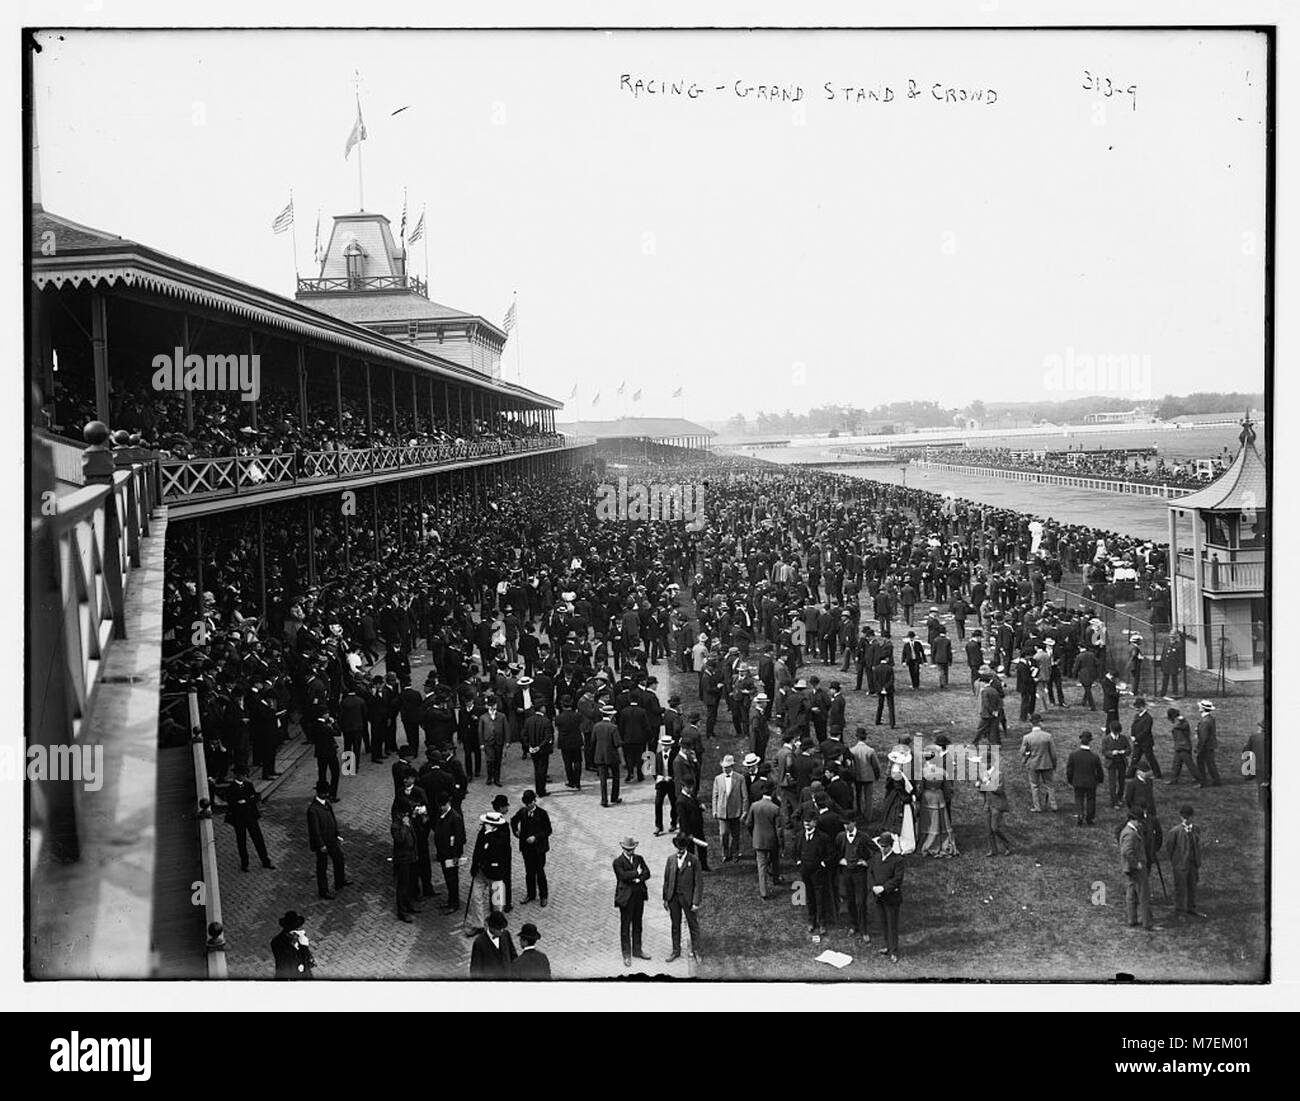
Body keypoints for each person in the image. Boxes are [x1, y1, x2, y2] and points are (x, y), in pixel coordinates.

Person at [464, 810, 511, 936]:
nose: (484, 824)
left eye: (486, 823)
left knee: (497, 902)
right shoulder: (482, 833)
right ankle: (478, 925)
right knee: (476, 897)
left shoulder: (502, 835)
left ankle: (497, 926)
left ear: (492, 825)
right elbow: (477, 850)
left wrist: (489, 833)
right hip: (480, 872)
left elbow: (497, 849)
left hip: (496, 874)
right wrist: (474, 866)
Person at [791, 810, 834, 943]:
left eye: (809, 822)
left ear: (815, 822)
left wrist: (823, 863)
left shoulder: (823, 837)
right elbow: (794, 851)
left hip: (818, 872)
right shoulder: (799, 836)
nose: (807, 824)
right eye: (805, 822)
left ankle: (821, 922)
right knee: (809, 896)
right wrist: (798, 861)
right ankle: (811, 920)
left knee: (820, 896)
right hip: (805, 870)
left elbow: (831, 853)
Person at [663, 832, 705, 962]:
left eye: (682, 848)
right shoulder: (671, 859)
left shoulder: (694, 860)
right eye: (678, 847)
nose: (680, 850)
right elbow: (666, 880)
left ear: (686, 847)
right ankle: (676, 950)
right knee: (675, 925)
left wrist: (696, 902)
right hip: (673, 898)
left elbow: (698, 883)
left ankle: (696, 950)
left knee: (693, 924)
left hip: (688, 898)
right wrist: (665, 898)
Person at [225, 764, 275, 872]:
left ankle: (265, 860)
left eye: (244, 775)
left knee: (258, 839)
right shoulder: (231, 788)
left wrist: (247, 801)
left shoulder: (248, 785)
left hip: (250, 816)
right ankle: (245, 863)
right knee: (241, 841)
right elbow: (230, 802)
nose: (243, 777)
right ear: (236, 775)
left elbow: (254, 797)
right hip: (239, 818)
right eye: (241, 775)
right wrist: (240, 803)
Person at [612, 837, 652, 966]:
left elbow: (647, 873)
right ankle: (626, 955)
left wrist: (638, 879)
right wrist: (636, 873)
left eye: (632, 849)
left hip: (638, 895)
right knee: (625, 927)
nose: (631, 852)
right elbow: (622, 876)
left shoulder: (639, 858)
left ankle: (637, 950)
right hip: (626, 898)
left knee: (638, 924)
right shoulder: (617, 862)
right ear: (623, 849)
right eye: (628, 850)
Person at [510, 789, 553, 906]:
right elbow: (513, 821)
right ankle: (531, 894)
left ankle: (543, 896)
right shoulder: (522, 812)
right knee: (529, 872)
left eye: (531, 803)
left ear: (535, 801)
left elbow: (548, 830)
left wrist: (536, 837)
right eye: (527, 804)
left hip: (539, 849)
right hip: (526, 849)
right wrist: (515, 831)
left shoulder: (542, 813)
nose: (529, 805)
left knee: (540, 872)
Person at [306, 780, 347, 899]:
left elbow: (332, 820)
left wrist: (337, 834)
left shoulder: (327, 804)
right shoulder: (313, 810)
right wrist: (320, 845)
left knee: (339, 859)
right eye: (325, 792)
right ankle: (323, 891)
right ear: (320, 793)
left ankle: (340, 881)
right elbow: (315, 830)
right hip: (323, 843)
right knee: (322, 867)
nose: (327, 794)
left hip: (332, 839)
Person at [1164, 804, 1206, 922]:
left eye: (1189, 817)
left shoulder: (1196, 829)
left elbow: (1197, 845)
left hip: (1193, 863)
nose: (1187, 820)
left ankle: (1191, 908)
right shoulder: (1175, 831)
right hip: (1180, 865)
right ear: (1181, 817)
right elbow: (1170, 847)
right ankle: (1179, 911)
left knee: (1192, 886)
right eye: (1185, 817)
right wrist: (1176, 861)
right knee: (1180, 888)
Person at [868, 831, 905, 962]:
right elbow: (870, 873)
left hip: (891, 898)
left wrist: (883, 888)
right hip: (879, 897)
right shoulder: (876, 857)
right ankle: (887, 946)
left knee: (892, 925)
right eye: (881, 846)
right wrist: (873, 886)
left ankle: (894, 951)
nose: (883, 849)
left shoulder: (898, 860)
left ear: (891, 846)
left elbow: (897, 879)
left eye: (885, 846)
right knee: (883, 923)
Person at [835, 817, 874, 941]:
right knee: (850, 900)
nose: (846, 826)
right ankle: (853, 925)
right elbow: (835, 852)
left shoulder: (863, 837)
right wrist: (840, 860)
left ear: (854, 823)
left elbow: (876, 851)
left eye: (848, 823)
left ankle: (864, 929)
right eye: (844, 824)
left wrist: (866, 862)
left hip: (859, 874)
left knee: (861, 901)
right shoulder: (841, 837)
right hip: (847, 873)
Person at [1118, 811, 1158, 932]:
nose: (1140, 824)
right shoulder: (1131, 834)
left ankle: (1132, 919)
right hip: (1136, 869)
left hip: (1129, 869)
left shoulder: (1127, 831)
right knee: (1143, 895)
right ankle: (1147, 923)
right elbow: (1127, 851)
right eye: (1139, 821)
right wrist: (1137, 863)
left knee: (1131, 894)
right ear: (1134, 820)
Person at [743, 786, 782, 899]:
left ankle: (763, 892)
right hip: (772, 839)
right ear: (773, 793)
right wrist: (781, 843)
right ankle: (776, 878)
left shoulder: (754, 806)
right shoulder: (775, 808)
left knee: (761, 865)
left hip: (758, 839)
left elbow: (749, 823)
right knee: (775, 860)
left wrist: (754, 833)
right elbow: (779, 828)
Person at [917, 751, 958, 857]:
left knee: (928, 821)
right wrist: (947, 797)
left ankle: (928, 843)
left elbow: (920, 787)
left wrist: (918, 797)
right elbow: (948, 788)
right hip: (939, 796)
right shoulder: (942, 771)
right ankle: (943, 842)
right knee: (941, 820)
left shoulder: (922, 771)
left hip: (927, 797)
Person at [432, 795, 466, 915]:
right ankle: (450, 900)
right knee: (448, 878)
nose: (441, 807)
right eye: (440, 805)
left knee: (452, 879)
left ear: (448, 803)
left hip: (451, 855)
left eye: (443, 805)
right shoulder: (442, 815)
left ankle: (454, 903)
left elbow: (460, 838)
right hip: (443, 853)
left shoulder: (455, 817)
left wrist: (456, 855)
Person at [973, 751, 1012, 856]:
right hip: (988, 803)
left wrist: (987, 783)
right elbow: (984, 790)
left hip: (997, 804)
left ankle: (1007, 845)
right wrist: (979, 786)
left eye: (985, 763)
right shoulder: (984, 774)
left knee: (995, 827)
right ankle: (993, 850)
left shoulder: (999, 774)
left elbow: (999, 790)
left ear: (991, 762)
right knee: (988, 829)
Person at [712, 754, 748, 862]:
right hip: (722, 811)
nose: (724, 769)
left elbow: (745, 796)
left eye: (727, 767)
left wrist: (744, 811)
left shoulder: (740, 778)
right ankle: (725, 853)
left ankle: (735, 853)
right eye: (723, 767)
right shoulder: (718, 778)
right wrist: (714, 810)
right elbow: (715, 795)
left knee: (735, 835)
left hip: (735, 811)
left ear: (731, 767)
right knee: (723, 834)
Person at [1020, 714, 1058, 813]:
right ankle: (1053, 805)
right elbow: (1053, 753)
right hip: (1047, 763)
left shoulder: (1027, 737)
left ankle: (1037, 806)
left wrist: (1026, 756)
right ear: (1040, 722)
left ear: (1031, 723)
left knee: (1034, 786)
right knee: (1050, 785)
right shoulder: (1048, 736)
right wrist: (1054, 763)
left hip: (1033, 764)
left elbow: (1022, 752)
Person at [1065, 731, 1105, 826]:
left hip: (1077, 781)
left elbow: (1069, 770)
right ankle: (1089, 818)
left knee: (1079, 798)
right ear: (1090, 741)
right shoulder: (1094, 757)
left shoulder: (1073, 755)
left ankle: (1080, 814)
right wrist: (1100, 780)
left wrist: (1070, 780)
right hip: (1091, 782)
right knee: (1091, 799)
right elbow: (1099, 770)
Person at [391, 807, 420, 922]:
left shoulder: (407, 821)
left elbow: (413, 837)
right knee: (402, 885)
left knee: (410, 883)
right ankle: (401, 911)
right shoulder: (395, 826)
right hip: (402, 860)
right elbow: (401, 839)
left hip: (411, 857)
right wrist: (405, 825)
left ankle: (409, 905)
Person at [469, 910, 517, 979]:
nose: (502, 931)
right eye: (499, 929)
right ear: (491, 927)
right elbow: (475, 969)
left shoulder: (506, 934)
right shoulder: (479, 943)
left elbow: (513, 955)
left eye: (503, 928)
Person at [591, 704, 623, 807]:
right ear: (611, 716)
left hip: (599, 755)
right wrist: (622, 758)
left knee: (603, 779)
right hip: (612, 756)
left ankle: (604, 800)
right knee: (616, 777)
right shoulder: (613, 727)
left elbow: (593, 741)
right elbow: (617, 744)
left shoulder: (596, 726)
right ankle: (614, 797)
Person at [848, 726, 881, 821]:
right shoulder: (870, 750)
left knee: (858, 795)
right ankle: (868, 816)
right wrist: (877, 775)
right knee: (868, 797)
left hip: (857, 776)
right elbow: (875, 765)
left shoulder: (852, 750)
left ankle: (859, 811)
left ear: (856, 737)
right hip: (869, 777)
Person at [270, 910, 315, 979]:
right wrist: (304, 947)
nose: (300, 930)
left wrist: (305, 947)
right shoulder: (277, 942)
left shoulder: (299, 938)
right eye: (297, 929)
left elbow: (307, 960)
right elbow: (286, 963)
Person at [522, 705, 555, 797]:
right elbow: (547, 737)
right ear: (541, 708)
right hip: (543, 750)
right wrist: (539, 747)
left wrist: (529, 746)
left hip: (532, 749)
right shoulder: (546, 721)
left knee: (536, 769)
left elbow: (524, 735)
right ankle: (541, 790)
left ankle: (538, 789)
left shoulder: (528, 720)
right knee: (543, 770)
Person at [1165, 706, 1202, 785]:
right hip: (1179, 747)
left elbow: (1178, 726)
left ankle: (1200, 780)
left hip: (1184, 747)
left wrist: (1179, 720)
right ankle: (1174, 779)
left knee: (1191, 766)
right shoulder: (1180, 721)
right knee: (1176, 765)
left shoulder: (1181, 722)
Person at [555, 695, 585, 789]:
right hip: (576, 740)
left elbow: (557, 730)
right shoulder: (577, 716)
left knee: (567, 763)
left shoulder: (559, 717)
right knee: (577, 761)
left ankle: (571, 781)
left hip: (565, 741)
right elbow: (580, 728)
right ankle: (578, 782)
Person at [1101, 720, 1132, 808]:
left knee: (1122, 782)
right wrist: (1111, 753)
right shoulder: (1106, 739)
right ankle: (1113, 801)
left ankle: (1120, 797)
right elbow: (1104, 751)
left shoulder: (1123, 738)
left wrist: (1124, 752)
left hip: (1121, 762)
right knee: (1112, 783)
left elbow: (1129, 749)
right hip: (1111, 763)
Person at [652, 731, 679, 837]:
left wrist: (671, 777)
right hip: (661, 783)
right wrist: (659, 777)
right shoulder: (658, 755)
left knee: (674, 803)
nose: (665, 747)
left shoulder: (674, 756)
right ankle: (658, 825)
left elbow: (677, 771)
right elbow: (654, 770)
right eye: (663, 745)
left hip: (671, 783)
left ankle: (673, 823)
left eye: (667, 745)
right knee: (658, 803)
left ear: (670, 745)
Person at [479, 696, 508, 787]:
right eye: (490, 705)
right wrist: (481, 743)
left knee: (498, 760)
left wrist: (507, 741)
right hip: (488, 742)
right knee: (490, 760)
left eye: (493, 705)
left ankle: (497, 779)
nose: (492, 707)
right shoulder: (483, 717)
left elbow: (506, 729)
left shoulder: (502, 716)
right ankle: (489, 777)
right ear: (487, 706)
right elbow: (480, 731)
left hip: (498, 741)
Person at [1130, 697, 1161, 778]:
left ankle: (1157, 774)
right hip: (1138, 742)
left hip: (1146, 742)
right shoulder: (1137, 716)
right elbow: (1133, 726)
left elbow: (1146, 731)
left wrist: (1136, 738)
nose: (1136, 709)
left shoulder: (1148, 718)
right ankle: (1130, 774)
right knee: (1135, 758)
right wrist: (1133, 735)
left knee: (1150, 759)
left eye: (1138, 707)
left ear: (1143, 707)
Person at [1195, 700, 1221, 787]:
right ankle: (1216, 780)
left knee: (1200, 763)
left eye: (1200, 707)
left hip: (1205, 746)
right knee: (1210, 764)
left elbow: (1203, 737)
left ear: (1203, 709)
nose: (1199, 707)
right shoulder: (1210, 719)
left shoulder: (1205, 721)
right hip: (1210, 745)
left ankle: (1202, 782)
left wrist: (1198, 748)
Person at [872, 658, 896, 728]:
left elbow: (875, 680)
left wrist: (881, 688)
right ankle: (892, 723)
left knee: (880, 705)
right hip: (889, 690)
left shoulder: (876, 668)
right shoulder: (890, 668)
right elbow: (892, 679)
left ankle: (877, 720)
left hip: (879, 690)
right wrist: (886, 687)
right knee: (891, 706)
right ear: (886, 659)